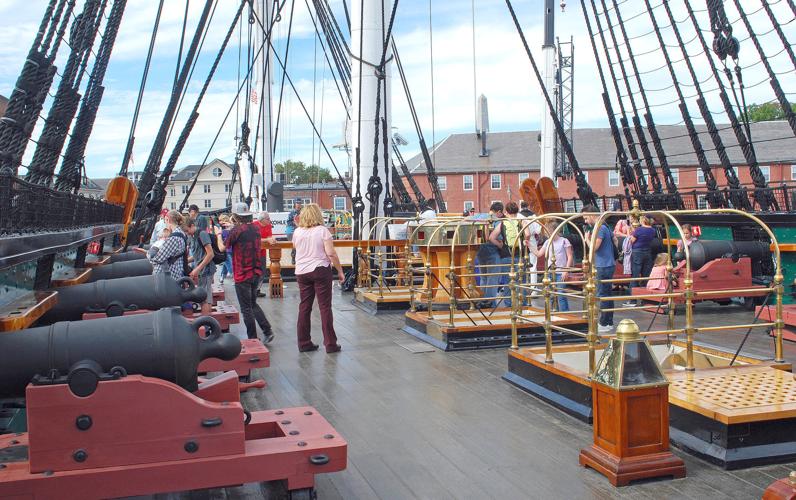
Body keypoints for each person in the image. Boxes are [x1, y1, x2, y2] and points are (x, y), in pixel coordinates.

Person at [215, 203, 276, 342]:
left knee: (246, 309)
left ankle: (253, 339)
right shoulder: (255, 228)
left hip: (242, 274)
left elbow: (222, 248)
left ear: (235, 216)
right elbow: (244, 232)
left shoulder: (236, 231)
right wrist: (231, 226)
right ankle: (267, 331)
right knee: (253, 304)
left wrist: (218, 234)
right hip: (256, 271)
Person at [292, 203, 345, 353]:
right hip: (320, 269)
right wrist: (340, 271)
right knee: (324, 307)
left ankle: (304, 343)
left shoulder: (297, 232)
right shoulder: (322, 231)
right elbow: (331, 253)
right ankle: (330, 344)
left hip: (301, 271)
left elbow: (295, 247)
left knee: (304, 306)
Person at [582, 205, 617, 333]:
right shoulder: (605, 226)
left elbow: (594, 248)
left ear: (591, 215)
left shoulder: (600, 228)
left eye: (586, 218)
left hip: (603, 265)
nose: (585, 221)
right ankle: (608, 322)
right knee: (607, 293)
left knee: (602, 294)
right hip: (608, 263)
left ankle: (604, 322)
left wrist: (587, 239)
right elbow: (615, 240)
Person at [533, 220, 574, 312]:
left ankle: (565, 314)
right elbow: (539, 254)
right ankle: (554, 312)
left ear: (554, 230)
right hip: (550, 271)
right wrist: (530, 246)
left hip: (561, 271)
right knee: (551, 295)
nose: (547, 234)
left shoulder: (564, 241)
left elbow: (570, 256)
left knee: (560, 294)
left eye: (548, 231)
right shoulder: (547, 242)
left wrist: (566, 270)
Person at [477, 201, 507, 307]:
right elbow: (496, 238)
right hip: (492, 250)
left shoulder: (480, 216)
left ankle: (482, 301)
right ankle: (490, 303)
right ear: (499, 211)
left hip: (480, 250)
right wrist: (502, 246)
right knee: (493, 278)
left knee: (484, 277)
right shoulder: (498, 221)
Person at [187, 216, 216, 315]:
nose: (187, 233)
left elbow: (210, 254)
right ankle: (206, 321)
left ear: (192, 225)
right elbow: (197, 255)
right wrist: (186, 261)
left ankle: (206, 322)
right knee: (203, 297)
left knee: (205, 298)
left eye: (187, 230)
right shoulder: (193, 236)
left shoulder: (202, 234)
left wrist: (198, 268)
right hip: (201, 271)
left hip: (206, 270)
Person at [148, 210, 189, 279]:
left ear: (168, 219)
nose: (165, 225)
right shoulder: (181, 234)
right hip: (177, 273)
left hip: (170, 277)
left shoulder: (174, 238)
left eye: (165, 222)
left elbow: (158, 258)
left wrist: (148, 254)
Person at [626, 215, 656, 306]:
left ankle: (632, 300)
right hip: (647, 252)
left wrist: (629, 233)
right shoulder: (653, 230)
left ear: (643, 220)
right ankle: (645, 299)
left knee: (635, 276)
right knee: (645, 276)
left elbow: (631, 241)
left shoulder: (639, 230)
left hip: (637, 253)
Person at [253, 212, 274, 296]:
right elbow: (254, 239)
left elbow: (269, 236)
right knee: (254, 272)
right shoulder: (254, 225)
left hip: (262, 252)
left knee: (262, 271)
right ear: (262, 220)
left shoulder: (268, 225)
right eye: (268, 219)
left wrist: (272, 239)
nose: (269, 220)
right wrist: (267, 240)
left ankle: (257, 290)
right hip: (253, 252)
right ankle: (253, 290)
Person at [218, 214, 234, 284]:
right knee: (229, 264)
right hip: (226, 250)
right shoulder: (221, 229)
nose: (220, 222)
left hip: (232, 249)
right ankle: (234, 277)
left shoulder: (231, 228)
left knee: (226, 264)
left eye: (221, 220)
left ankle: (222, 277)